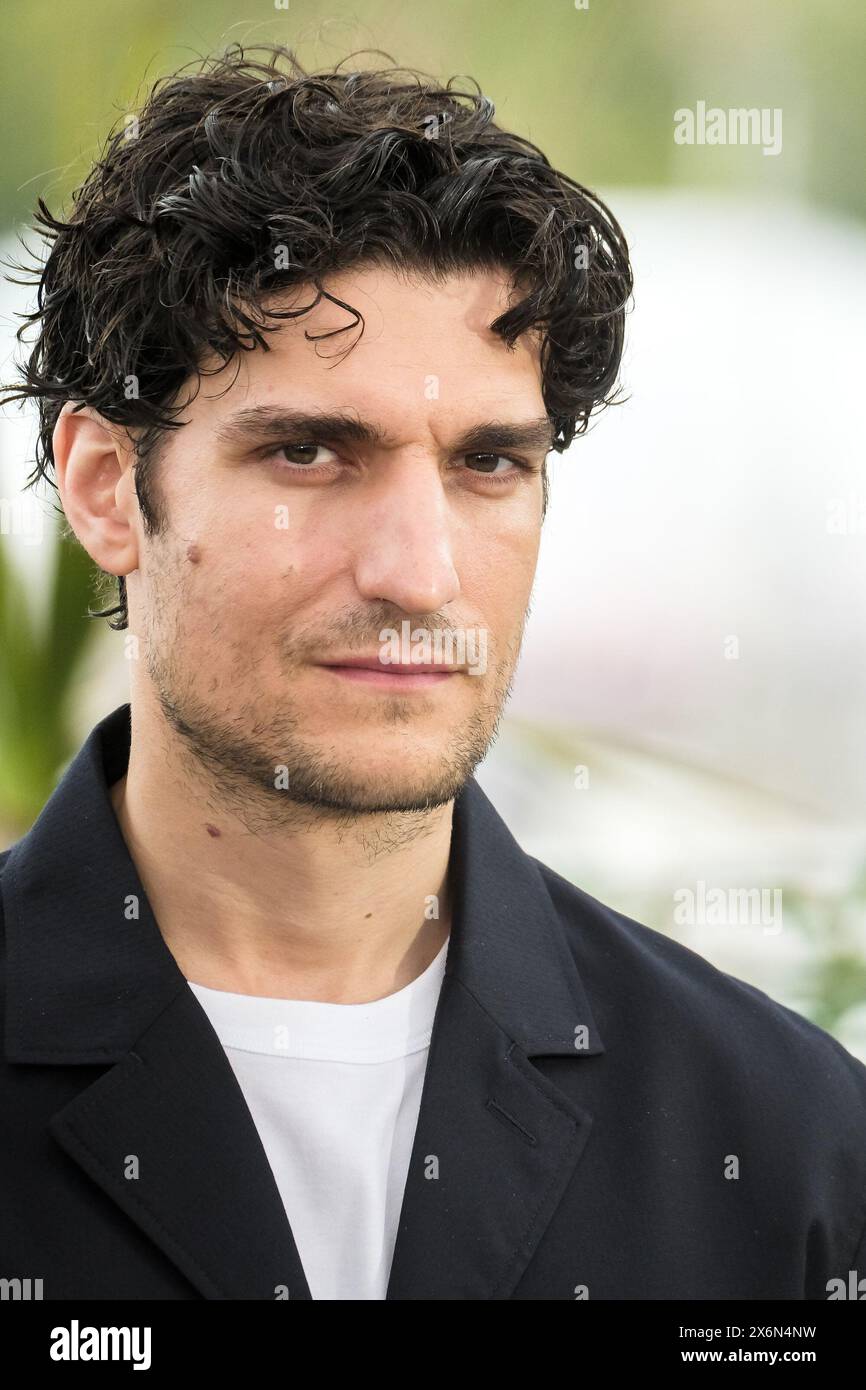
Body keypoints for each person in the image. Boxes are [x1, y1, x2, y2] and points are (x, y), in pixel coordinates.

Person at [1, 43, 864, 1302]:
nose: (418, 573)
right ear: (104, 490)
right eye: (307, 452)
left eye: (487, 465)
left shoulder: (782, 1139)